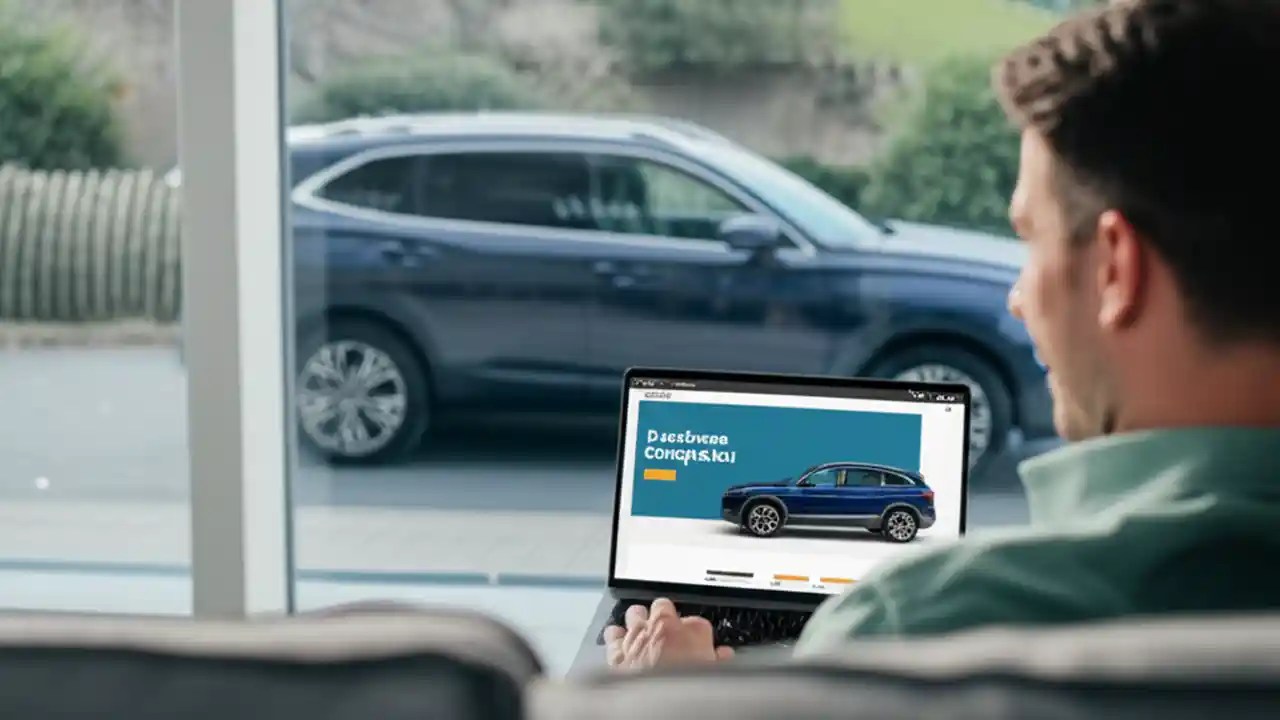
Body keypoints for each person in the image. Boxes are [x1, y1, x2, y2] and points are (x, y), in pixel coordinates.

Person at [604, 0, 1280, 671]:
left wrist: (671, 699)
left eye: (1030, 240)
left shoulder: (924, 627)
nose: (1019, 298)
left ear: (1114, 269)